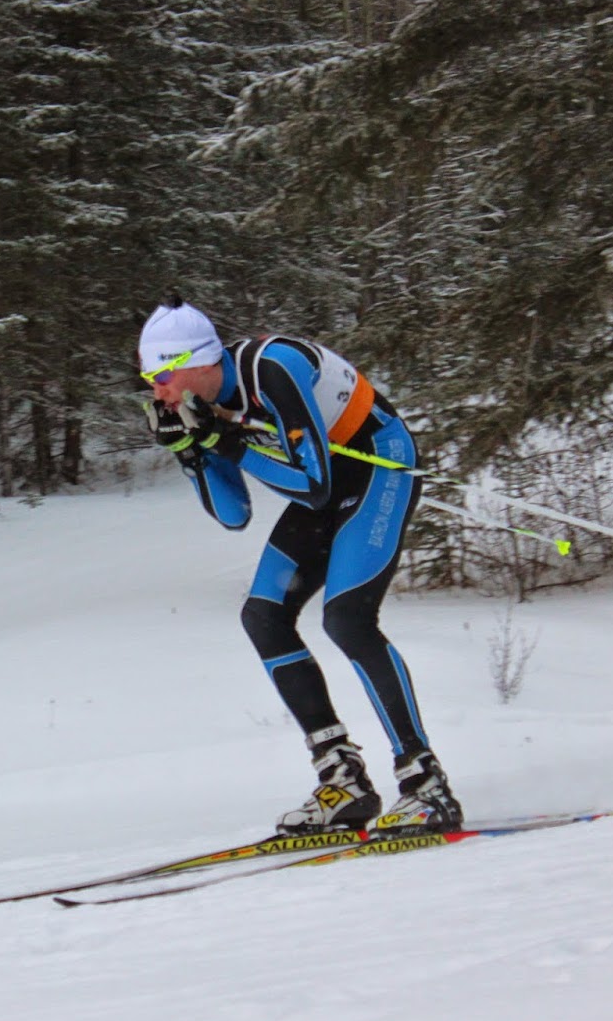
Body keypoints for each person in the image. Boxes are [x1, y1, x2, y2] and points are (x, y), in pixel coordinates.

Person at [138, 292, 463, 834]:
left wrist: (229, 444)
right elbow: (234, 514)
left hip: (378, 465)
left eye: (162, 376)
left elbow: (314, 488)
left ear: (197, 362)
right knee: (263, 616)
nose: (158, 391)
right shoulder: (200, 403)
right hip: (328, 481)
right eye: (149, 380)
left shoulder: (273, 368)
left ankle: (426, 782)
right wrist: (191, 453)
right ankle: (343, 777)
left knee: (348, 620)